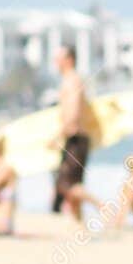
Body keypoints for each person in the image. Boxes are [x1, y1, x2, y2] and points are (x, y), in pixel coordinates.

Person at [50, 43, 89, 220]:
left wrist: (57, 137)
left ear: (69, 60)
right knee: (70, 183)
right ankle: (79, 224)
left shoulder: (72, 81)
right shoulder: (69, 80)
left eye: (58, 58)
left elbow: (72, 114)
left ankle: (101, 205)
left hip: (74, 138)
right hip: (73, 138)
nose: (55, 62)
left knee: (65, 184)